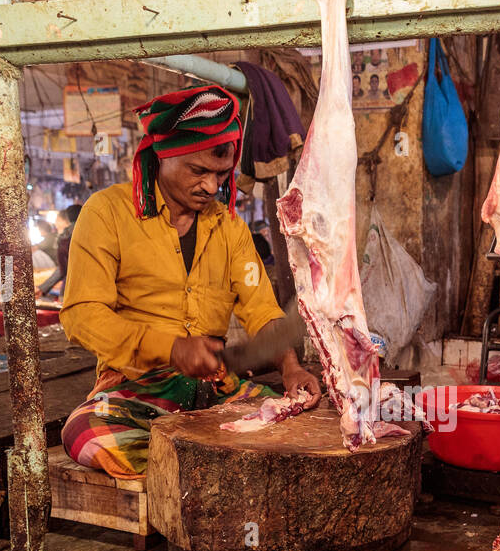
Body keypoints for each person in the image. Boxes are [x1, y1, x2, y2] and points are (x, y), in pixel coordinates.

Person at [60, 84, 321, 478]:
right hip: (138, 390)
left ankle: (200, 468)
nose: (212, 187)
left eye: (221, 173)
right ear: (161, 158)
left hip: (216, 390)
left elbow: (262, 309)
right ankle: (209, 472)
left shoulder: (230, 228)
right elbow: (81, 316)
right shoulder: (106, 213)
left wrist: (290, 367)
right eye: (198, 171)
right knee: (88, 435)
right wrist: (170, 349)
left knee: (302, 422)